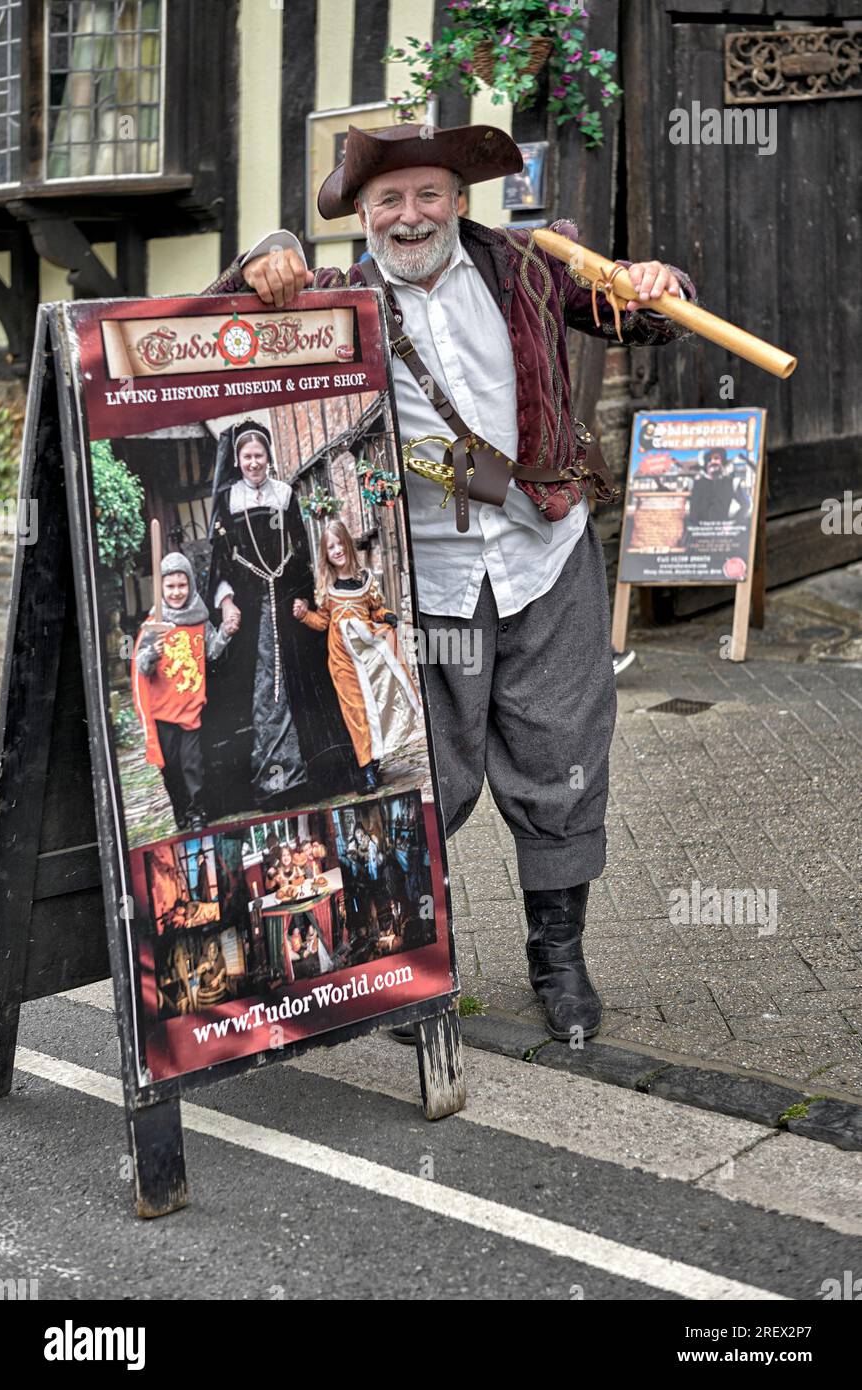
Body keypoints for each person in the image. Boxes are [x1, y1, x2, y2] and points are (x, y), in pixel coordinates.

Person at [203, 121, 696, 1043]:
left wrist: (659, 284)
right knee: (421, 767)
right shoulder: (329, 300)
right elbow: (209, 332)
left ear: (458, 200)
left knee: (560, 758)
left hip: (543, 556)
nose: (410, 214)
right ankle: (403, 958)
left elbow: (646, 316)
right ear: (361, 214)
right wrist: (261, 258)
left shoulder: (529, 266)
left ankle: (559, 964)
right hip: (412, 579)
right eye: (387, 199)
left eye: (428, 193)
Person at [204, 419, 358, 813]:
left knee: (298, 684)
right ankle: (269, 780)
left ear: (268, 458)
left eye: (259, 456)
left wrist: (304, 601)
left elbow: (302, 553)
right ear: (238, 461)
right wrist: (227, 603)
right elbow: (220, 563)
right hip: (249, 610)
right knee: (258, 692)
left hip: (286, 602)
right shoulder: (227, 501)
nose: (254, 463)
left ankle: (310, 775)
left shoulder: (285, 495)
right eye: (247, 456)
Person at [293, 519, 422, 793]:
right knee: (356, 712)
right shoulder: (327, 588)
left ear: (348, 545)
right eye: (331, 547)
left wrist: (384, 615)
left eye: (340, 543)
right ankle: (367, 770)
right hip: (342, 661)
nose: (337, 550)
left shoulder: (365, 580)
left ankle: (377, 758)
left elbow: (374, 610)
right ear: (325, 553)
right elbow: (323, 622)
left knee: (377, 704)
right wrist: (305, 615)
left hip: (369, 653)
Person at [132, 551, 234, 832]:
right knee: (172, 766)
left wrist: (224, 632)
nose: (177, 592)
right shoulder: (154, 625)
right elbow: (141, 665)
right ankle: (180, 809)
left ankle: (197, 811)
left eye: (182, 585)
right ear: (161, 589)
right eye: (170, 586)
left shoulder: (199, 618)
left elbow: (211, 651)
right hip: (164, 709)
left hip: (190, 707)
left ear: (190, 584)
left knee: (193, 764)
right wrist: (152, 653)